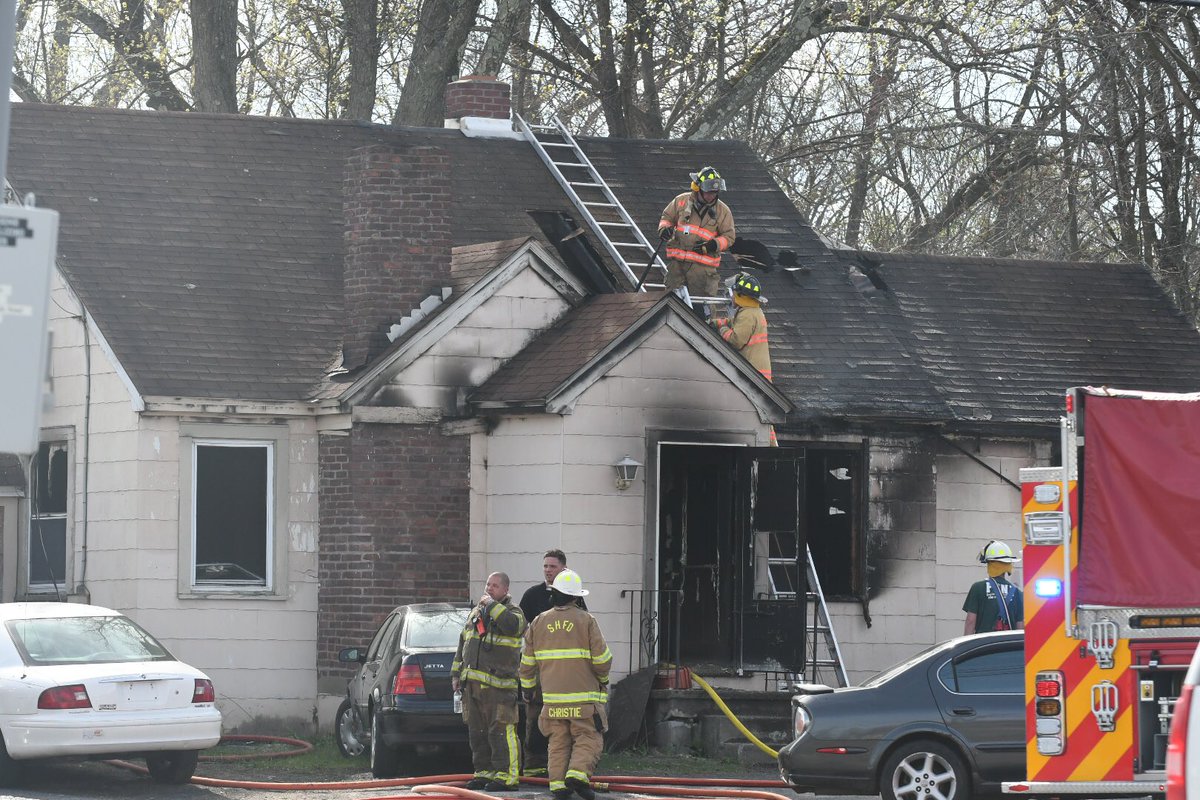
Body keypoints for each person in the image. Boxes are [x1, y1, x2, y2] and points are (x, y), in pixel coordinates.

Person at [519, 569, 611, 800]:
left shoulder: (538, 622)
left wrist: (528, 688)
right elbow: (602, 660)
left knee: (558, 741)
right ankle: (578, 775)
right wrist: (603, 679)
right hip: (583, 698)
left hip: (552, 701)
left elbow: (527, 663)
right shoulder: (587, 620)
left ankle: (559, 786)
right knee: (589, 736)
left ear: (554, 594)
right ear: (576, 597)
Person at [452, 572, 528, 791]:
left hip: (500, 688)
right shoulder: (476, 613)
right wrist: (456, 674)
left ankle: (507, 776)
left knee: (501, 732)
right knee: (477, 732)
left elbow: (513, 627)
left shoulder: (514, 612)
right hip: (473, 686)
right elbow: (463, 643)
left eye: (495, 585)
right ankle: (484, 773)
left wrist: (492, 605)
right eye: (488, 584)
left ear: (505, 590)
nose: (489, 588)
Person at [518, 550, 585, 777]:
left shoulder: (576, 597)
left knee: (566, 724)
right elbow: (521, 628)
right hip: (540, 672)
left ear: (564, 569)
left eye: (552, 566)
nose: (548, 570)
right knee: (536, 720)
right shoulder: (532, 595)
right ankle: (535, 768)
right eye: (545, 566)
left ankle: (564, 768)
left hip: (567, 674)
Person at [712, 271, 775, 446]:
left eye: (733, 293)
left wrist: (721, 330)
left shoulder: (747, 315)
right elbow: (734, 323)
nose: (731, 297)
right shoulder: (753, 311)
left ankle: (769, 447)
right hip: (759, 373)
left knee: (757, 414)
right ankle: (771, 446)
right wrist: (717, 322)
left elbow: (736, 340)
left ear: (740, 296)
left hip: (753, 373)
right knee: (765, 415)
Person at [657, 166, 736, 300]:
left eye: (715, 192)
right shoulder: (681, 201)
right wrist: (664, 229)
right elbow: (666, 218)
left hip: (703, 272)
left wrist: (713, 245)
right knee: (671, 305)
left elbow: (729, 237)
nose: (711, 196)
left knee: (701, 309)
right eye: (708, 192)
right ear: (697, 187)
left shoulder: (723, 211)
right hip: (677, 268)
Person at [963, 540, 1024, 635]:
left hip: (983, 643)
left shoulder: (978, 588)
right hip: (1007, 644)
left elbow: (970, 622)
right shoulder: (1017, 593)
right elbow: (1020, 628)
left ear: (989, 564)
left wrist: (967, 643)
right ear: (1008, 566)